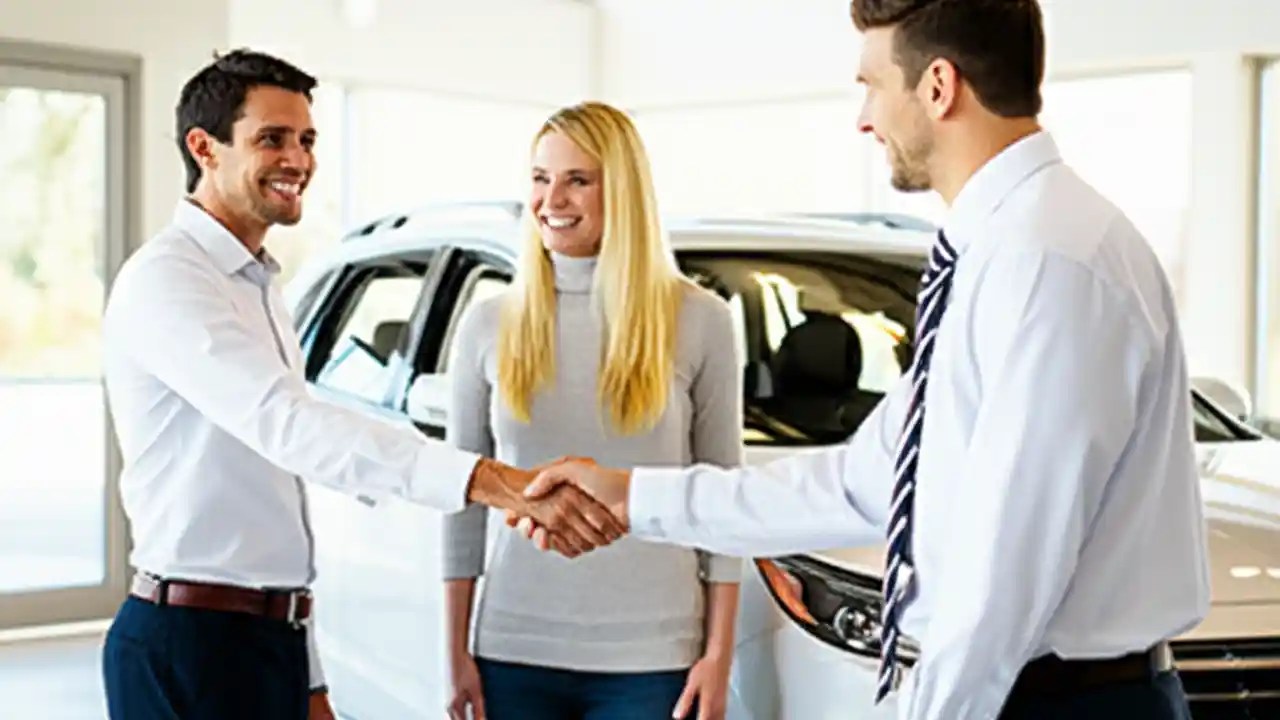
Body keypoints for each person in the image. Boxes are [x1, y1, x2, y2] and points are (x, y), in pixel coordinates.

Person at [517, 2, 1209, 719]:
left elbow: (1005, 575)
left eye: (872, 85)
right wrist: (632, 496)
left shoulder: (1047, 259)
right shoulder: (996, 252)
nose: (864, 118)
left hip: (1059, 704)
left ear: (938, 87)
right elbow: (860, 483)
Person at [99, 49, 622, 720]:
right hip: (192, 645)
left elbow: (278, 511)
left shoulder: (256, 284)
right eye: (272, 138)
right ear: (204, 147)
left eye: (307, 139)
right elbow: (291, 426)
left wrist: (309, 676)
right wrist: (500, 482)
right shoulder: (169, 281)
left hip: (268, 639)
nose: (298, 159)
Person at [441, 101, 744, 720]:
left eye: (577, 179)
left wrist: (719, 657)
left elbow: (722, 500)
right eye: (539, 177)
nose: (552, 198)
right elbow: (460, 502)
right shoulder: (487, 323)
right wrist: (454, 654)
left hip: (654, 658)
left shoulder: (699, 319)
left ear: (622, 191)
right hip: (514, 647)